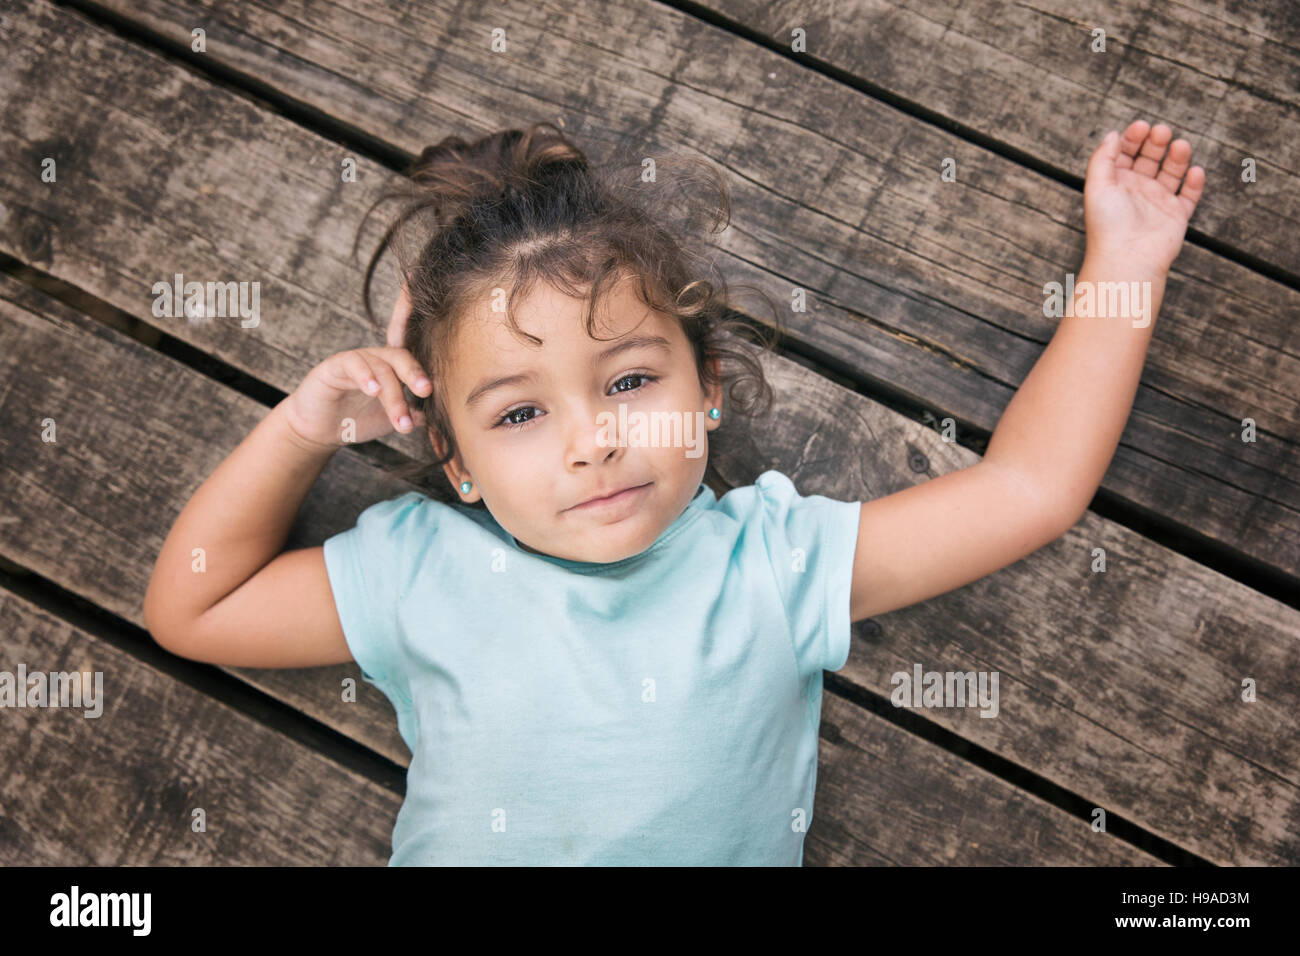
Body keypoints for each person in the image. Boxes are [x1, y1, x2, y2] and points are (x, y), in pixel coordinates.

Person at [143, 121, 1204, 864]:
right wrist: (301, 428)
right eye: (518, 413)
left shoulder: (772, 566)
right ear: (455, 459)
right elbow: (194, 608)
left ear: (705, 390)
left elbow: (1029, 487)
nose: (592, 441)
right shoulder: (419, 563)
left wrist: (1129, 256)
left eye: (630, 379)